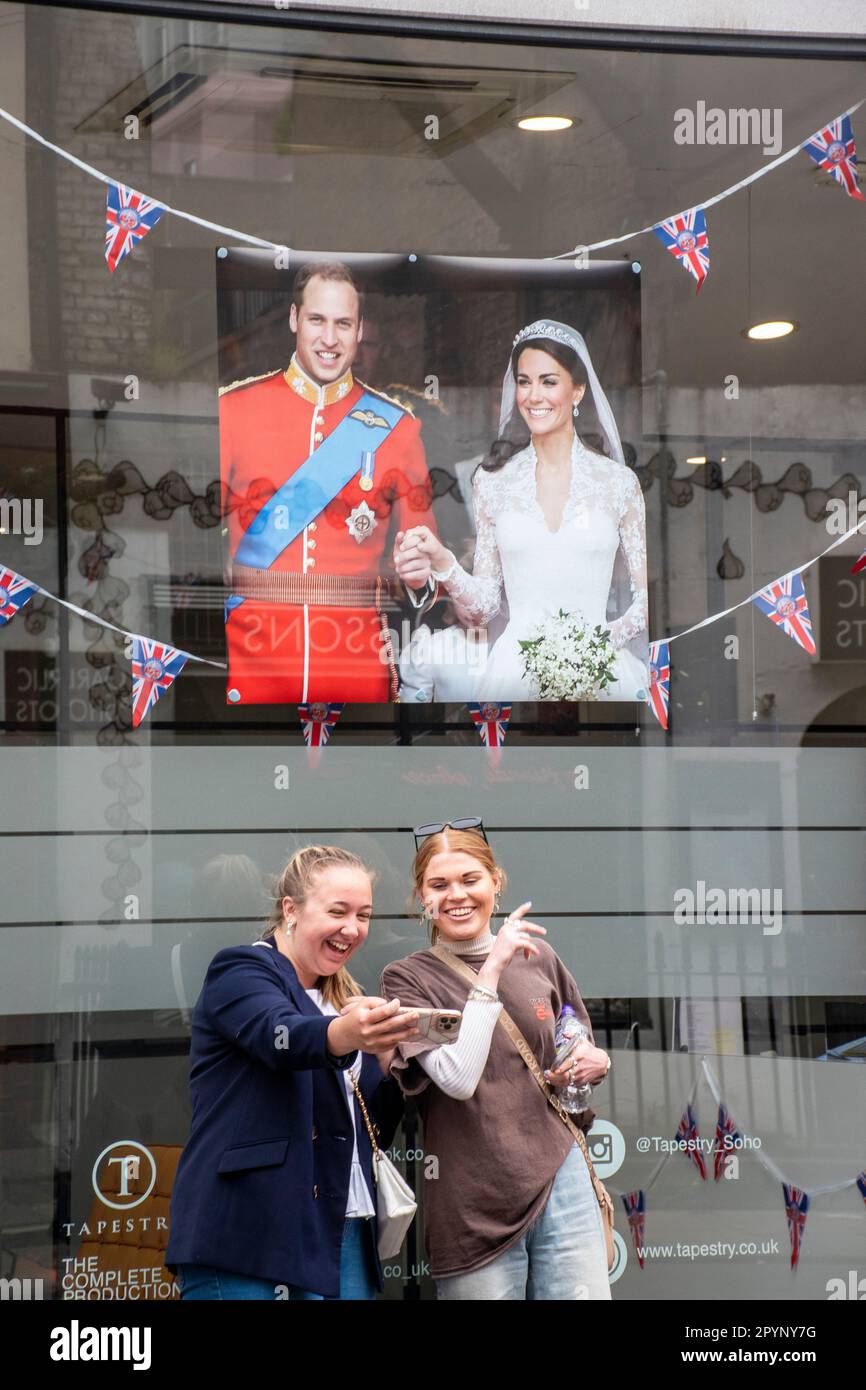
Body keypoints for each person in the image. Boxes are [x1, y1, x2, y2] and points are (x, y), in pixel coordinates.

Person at [165, 845, 419, 1300]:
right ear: (291, 910)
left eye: (364, 915)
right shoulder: (241, 969)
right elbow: (279, 1035)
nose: (352, 928)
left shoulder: (346, 1000)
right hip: (247, 1234)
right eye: (338, 911)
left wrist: (385, 1061)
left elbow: (368, 1128)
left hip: (342, 1233)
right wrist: (345, 1034)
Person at [379, 820, 612, 1300]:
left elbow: (575, 1037)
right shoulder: (406, 980)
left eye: (470, 879)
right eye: (438, 885)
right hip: (472, 1199)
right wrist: (493, 968)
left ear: (495, 882)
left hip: (560, 1176)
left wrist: (595, 1060)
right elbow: (458, 1080)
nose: (456, 895)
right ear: (421, 897)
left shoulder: (539, 956)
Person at [220, 260, 439, 705]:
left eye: (344, 324)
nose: (329, 338)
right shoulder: (233, 411)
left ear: (360, 331)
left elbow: (425, 566)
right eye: (317, 320)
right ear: (294, 320)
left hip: (355, 671)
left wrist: (417, 575)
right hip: (253, 664)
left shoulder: (397, 428)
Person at [394, 319, 648, 702]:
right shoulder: (492, 483)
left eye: (549, 381)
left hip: (601, 670)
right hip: (515, 671)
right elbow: (485, 605)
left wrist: (592, 645)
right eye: (524, 381)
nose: (533, 395)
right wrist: (443, 561)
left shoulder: (619, 484)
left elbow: (645, 600)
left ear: (577, 390)